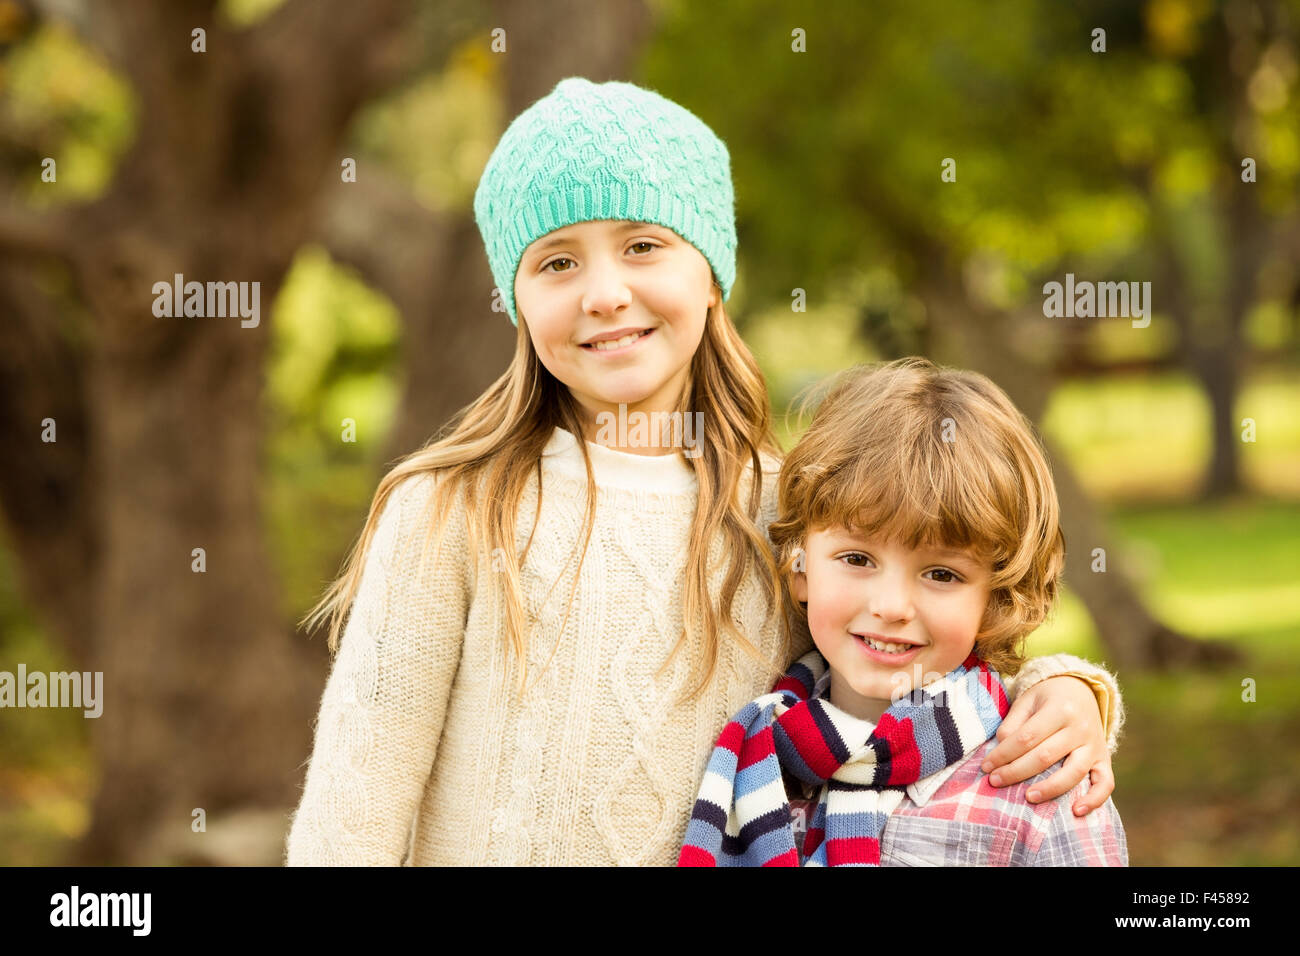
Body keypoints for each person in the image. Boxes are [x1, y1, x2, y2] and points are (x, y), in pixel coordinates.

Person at [285, 78, 1122, 866]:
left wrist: (1072, 691)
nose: (605, 293)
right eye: (557, 261)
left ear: (712, 273)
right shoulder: (452, 510)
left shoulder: (790, 504)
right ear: (516, 299)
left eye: (643, 245)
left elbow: (902, 665)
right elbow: (354, 806)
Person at [678, 358, 1128, 866]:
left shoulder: (1041, 791)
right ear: (798, 566)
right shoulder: (756, 764)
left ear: (995, 597)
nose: (891, 607)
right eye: (856, 559)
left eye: (941, 574)